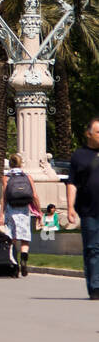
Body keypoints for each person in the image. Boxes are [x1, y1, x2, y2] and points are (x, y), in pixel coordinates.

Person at [65, 117, 99, 299]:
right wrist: (70, 207)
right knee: (92, 249)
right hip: (89, 211)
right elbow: (72, 183)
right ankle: (95, 286)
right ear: (89, 134)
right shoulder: (79, 156)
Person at [0, 153, 41, 277]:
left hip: (11, 210)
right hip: (24, 210)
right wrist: (39, 211)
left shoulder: (6, 178)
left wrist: (1, 215)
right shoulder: (28, 177)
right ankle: (24, 260)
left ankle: (14, 266)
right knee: (25, 238)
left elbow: (4, 198)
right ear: (20, 163)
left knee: (11, 239)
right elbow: (34, 196)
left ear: (10, 164)